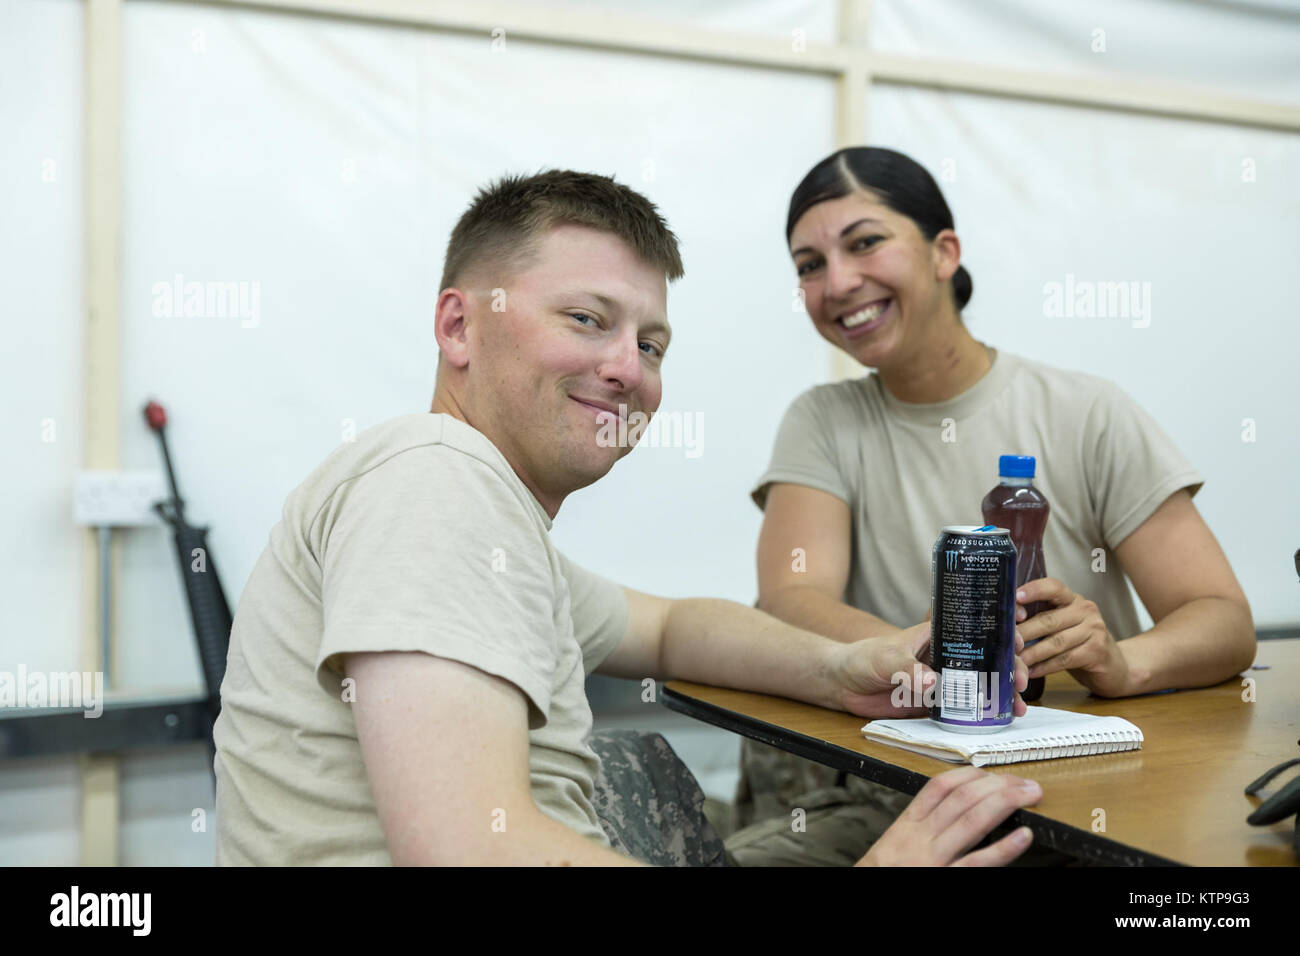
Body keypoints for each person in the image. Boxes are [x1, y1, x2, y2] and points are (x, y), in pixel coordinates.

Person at [213, 168, 1043, 866]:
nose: (626, 370)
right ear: (459, 325)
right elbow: (466, 850)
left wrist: (845, 665)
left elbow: (674, 629)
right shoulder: (435, 480)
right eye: (586, 319)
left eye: (651, 345)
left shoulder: (480, 512)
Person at [727, 147, 1256, 866]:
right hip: (901, 794)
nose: (838, 282)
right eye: (809, 265)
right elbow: (790, 595)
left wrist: (1122, 664)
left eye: (865, 242)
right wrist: (930, 656)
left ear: (945, 252)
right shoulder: (823, 422)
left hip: (1089, 796)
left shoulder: (1086, 411)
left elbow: (1221, 618)